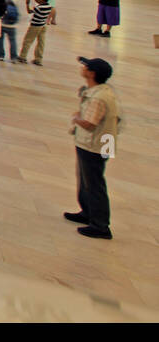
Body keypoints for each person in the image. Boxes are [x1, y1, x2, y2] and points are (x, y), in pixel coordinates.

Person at [65, 57, 119, 240]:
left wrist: (76, 118)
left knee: (94, 183)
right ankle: (87, 212)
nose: (83, 68)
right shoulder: (101, 90)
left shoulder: (99, 97)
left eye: (86, 67)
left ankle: (100, 226)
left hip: (94, 144)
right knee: (88, 180)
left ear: (92, 73)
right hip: (102, 141)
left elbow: (89, 124)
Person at [14, 0, 56, 65]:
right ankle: (38, 59)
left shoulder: (38, 7)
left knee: (27, 41)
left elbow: (29, 11)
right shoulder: (49, 6)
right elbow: (40, 2)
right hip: (43, 26)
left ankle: (22, 57)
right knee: (41, 43)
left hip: (35, 26)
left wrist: (27, 4)